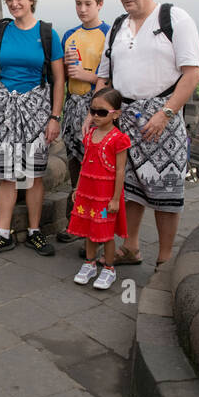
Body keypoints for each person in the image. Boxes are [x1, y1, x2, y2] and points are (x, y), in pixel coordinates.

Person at [93, 0, 199, 268]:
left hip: (162, 117)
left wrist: (166, 113)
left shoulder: (174, 19)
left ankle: (165, 259)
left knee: (165, 189)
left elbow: (193, 73)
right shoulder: (117, 27)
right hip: (124, 115)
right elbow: (104, 77)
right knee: (127, 186)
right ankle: (131, 247)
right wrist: (97, 112)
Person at [0, 0, 65, 257]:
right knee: (7, 175)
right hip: (3, 109)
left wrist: (55, 117)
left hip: (38, 110)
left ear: (31, 0)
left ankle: (35, 231)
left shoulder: (47, 34)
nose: (14, 4)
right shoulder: (1, 33)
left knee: (34, 175)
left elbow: (59, 81)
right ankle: (3, 233)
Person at [57, 0, 112, 244]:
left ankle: (96, 229)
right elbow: (63, 77)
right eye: (78, 3)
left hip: (97, 108)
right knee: (75, 166)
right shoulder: (69, 35)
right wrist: (69, 73)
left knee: (97, 171)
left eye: (88, 4)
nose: (82, 9)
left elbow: (114, 78)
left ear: (99, 4)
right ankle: (74, 222)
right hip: (72, 106)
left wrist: (87, 75)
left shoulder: (109, 34)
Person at [67, 87, 131, 290]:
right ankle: (89, 263)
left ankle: (109, 268)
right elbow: (85, 162)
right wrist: (77, 188)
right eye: (92, 111)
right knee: (88, 230)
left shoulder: (119, 139)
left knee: (104, 232)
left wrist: (114, 199)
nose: (95, 116)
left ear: (116, 114)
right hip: (87, 193)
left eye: (102, 112)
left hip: (105, 196)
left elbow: (120, 172)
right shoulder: (90, 134)